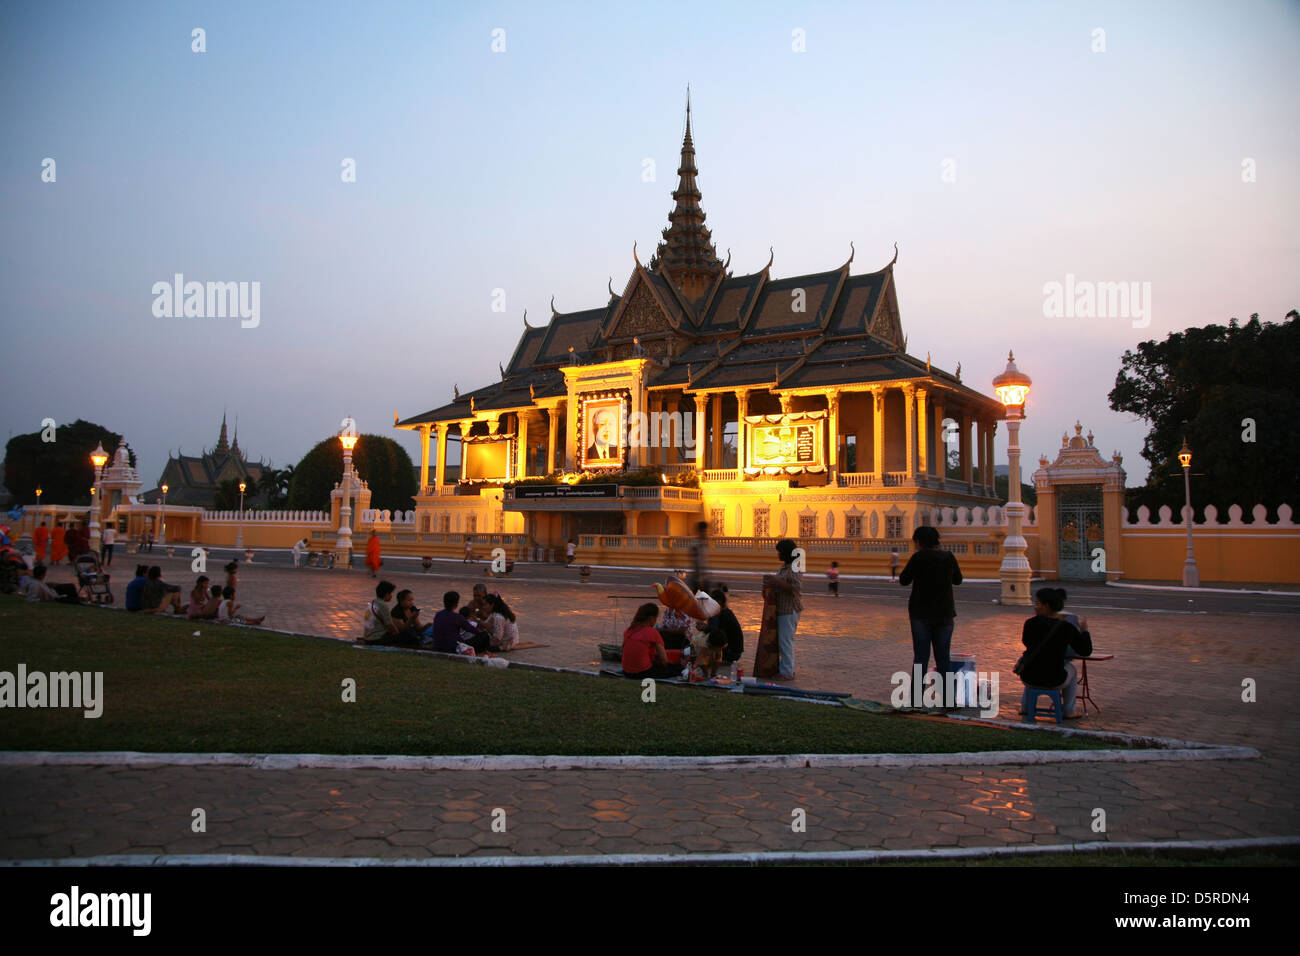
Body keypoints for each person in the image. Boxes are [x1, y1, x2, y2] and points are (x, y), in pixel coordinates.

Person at [899, 525, 963, 707]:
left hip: (921, 614)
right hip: (944, 614)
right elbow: (958, 580)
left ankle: (916, 700)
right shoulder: (949, 557)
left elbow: (904, 580)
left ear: (919, 542)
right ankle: (949, 700)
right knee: (943, 658)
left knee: (921, 657)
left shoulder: (918, 557)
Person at [1020, 587, 1092, 719]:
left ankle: (1025, 707)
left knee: (1035, 665)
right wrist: (1084, 631)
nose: (1035, 607)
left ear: (1046, 606)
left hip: (1028, 677)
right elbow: (1085, 651)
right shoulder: (1066, 627)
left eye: (1037, 603)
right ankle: (1069, 710)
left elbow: (1026, 642)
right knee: (1072, 670)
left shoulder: (1030, 623)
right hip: (1054, 679)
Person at [761, 538, 803, 681]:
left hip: (789, 609)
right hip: (781, 609)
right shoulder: (784, 568)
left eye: (780, 552)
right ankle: (786, 668)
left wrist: (776, 580)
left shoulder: (796, 566)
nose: (778, 555)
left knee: (786, 641)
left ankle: (787, 672)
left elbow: (795, 588)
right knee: (782, 641)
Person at [621, 603, 680, 679]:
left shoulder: (628, 630)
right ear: (651, 618)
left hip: (626, 672)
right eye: (656, 618)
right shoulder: (652, 632)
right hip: (642, 673)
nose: (656, 621)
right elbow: (664, 660)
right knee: (677, 668)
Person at [431, 590, 490, 655]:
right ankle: (482, 652)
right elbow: (473, 630)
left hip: (437, 646)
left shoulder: (438, 615)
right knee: (485, 636)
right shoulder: (457, 617)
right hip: (452, 648)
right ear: (456, 604)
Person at [688, 521, 710, 593]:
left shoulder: (704, 543)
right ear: (700, 532)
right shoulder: (696, 545)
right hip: (698, 580)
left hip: (704, 577)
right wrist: (701, 579)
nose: (706, 533)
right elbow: (697, 563)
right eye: (704, 531)